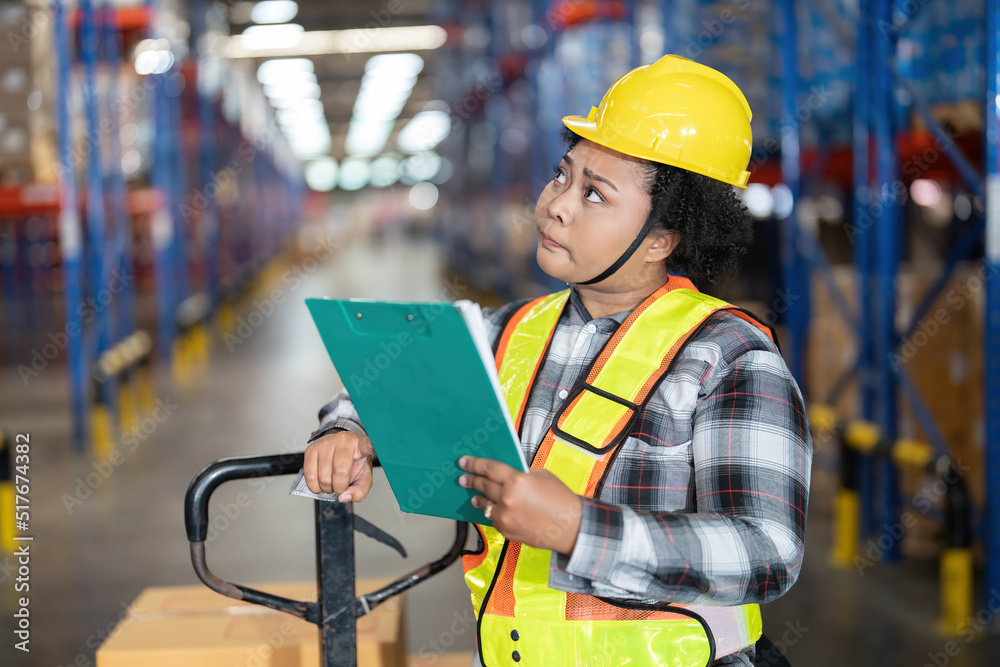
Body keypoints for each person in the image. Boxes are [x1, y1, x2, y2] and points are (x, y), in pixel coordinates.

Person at [303, 54, 812, 667]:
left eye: (595, 195)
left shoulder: (727, 356)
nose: (556, 205)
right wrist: (347, 429)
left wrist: (579, 529)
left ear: (662, 238)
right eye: (562, 176)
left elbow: (767, 551)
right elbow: (389, 383)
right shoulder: (509, 329)